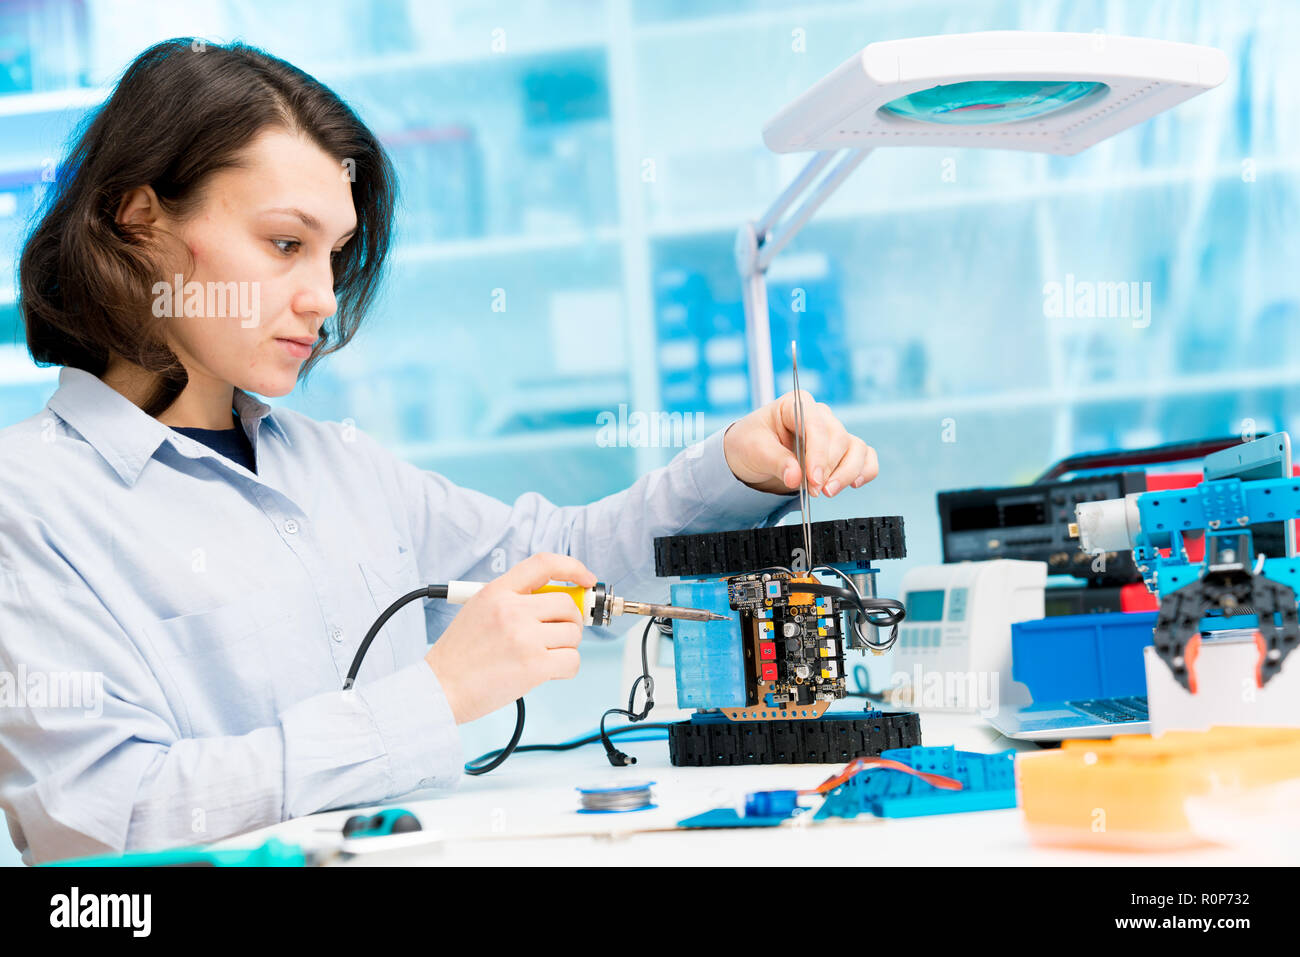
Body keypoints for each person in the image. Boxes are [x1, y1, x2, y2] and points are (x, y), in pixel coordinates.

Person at [0, 39, 881, 865]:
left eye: (335, 254)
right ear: (140, 220)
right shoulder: (29, 502)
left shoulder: (335, 465)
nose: (323, 297)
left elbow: (565, 561)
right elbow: (100, 823)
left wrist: (734, 467)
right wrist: (436, 694)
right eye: (285, 244)